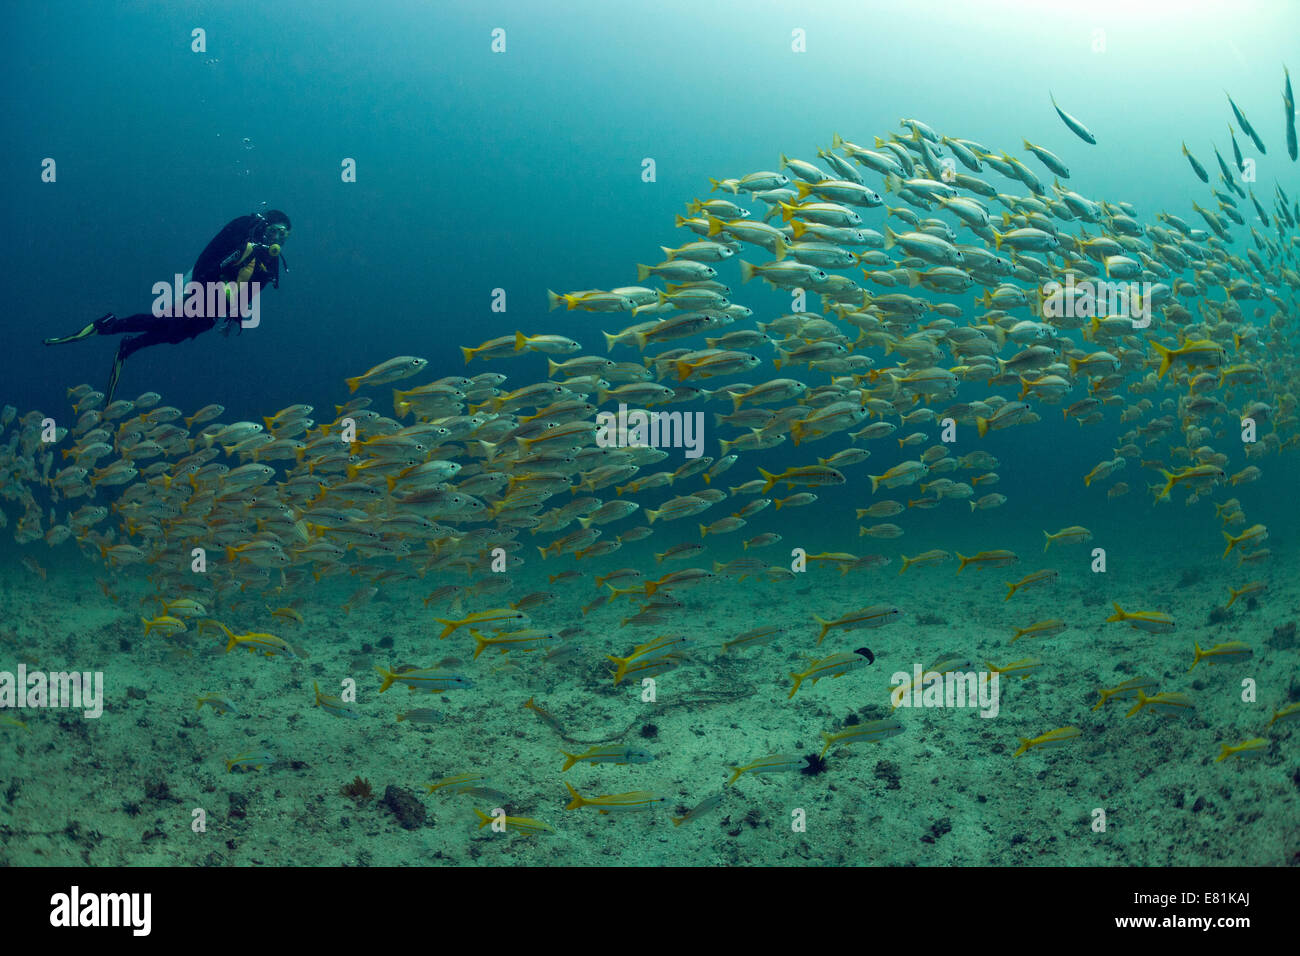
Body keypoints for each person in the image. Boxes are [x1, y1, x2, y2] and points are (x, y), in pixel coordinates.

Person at [44, 209, 291, 402]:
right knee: (165, 322)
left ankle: (129, 345)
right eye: (276, 231)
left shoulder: (271, 263)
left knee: (177, 335)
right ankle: (107, 326)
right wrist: (203, 289)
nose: (278, 238)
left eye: (285, 234)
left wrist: (233, 318)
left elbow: (251, 292)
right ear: (266, 227)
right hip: (201, 287)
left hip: (217, 305)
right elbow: (211, 262)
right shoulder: (245, 241)